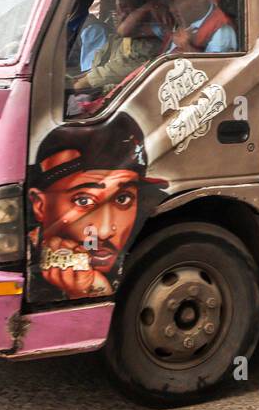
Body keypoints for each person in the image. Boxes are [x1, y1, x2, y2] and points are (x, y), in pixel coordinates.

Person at [27, 114, 165, 301]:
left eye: (123, 199)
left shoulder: (148, 253)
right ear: (40, 205)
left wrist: (93, 289)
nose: (105, 231)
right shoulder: (19, 263)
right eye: (83, 201)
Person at [167, 0, 238, 54]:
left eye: (178, 1)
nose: (171, 9)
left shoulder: (222, 30)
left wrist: (186, 47)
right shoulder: (183, 21)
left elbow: (217, 66)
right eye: (171, 2)